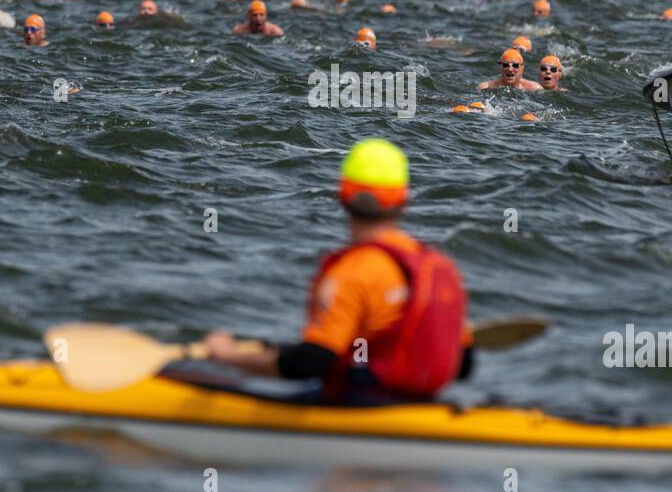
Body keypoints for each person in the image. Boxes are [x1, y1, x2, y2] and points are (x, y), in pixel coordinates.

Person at [201, 138, 472, 403]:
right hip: (428, 405)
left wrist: (228, 356)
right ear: (405, 200)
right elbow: (463, 366)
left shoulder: (353, 271)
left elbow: (311, 362)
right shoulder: (440, 268)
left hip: (361, 406)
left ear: (342, 195)